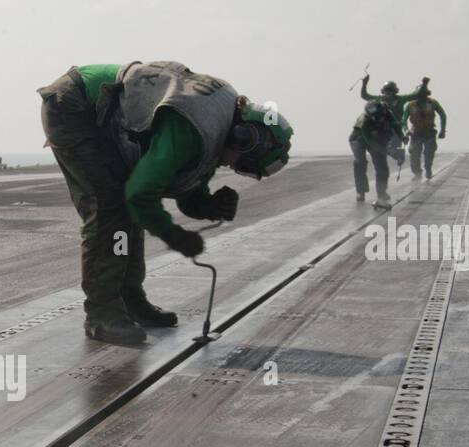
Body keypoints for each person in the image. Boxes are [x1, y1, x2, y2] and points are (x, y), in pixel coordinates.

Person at [39, 62, 293, 345]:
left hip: (100, 111)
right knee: (110, 210)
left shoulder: (220, 124)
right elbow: (140, 193)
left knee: (125, 211)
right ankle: (102, 314)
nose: (233, 167)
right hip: (75, 105)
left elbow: (184, 192)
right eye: (243, 164)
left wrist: (208, 205)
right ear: (246, 139)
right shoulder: (196, 126)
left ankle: (130, 300)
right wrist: (177, 237)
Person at [350, 99, 406, 210]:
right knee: (360, 162)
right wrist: (386, 151)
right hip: (359, 139)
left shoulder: (388, 113)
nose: (376, 119)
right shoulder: (364, 120)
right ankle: (360, 192)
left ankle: (381, 193)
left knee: (382, 167)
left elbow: (396, 126)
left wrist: (402, 137)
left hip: (376, 140)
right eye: (373, 117)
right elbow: (370, 141)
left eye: (378, 116)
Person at [403, 85, 448, 180]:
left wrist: (443, 130)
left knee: (429, 152)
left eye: (423, 94)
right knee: (414, 154)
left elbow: (443, 115)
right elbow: (403, 120)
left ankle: (428, 168)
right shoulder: (410, 105)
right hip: (415, 133)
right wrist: (406, 130)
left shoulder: (432, 103)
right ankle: (417, 172)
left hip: (429, 132)